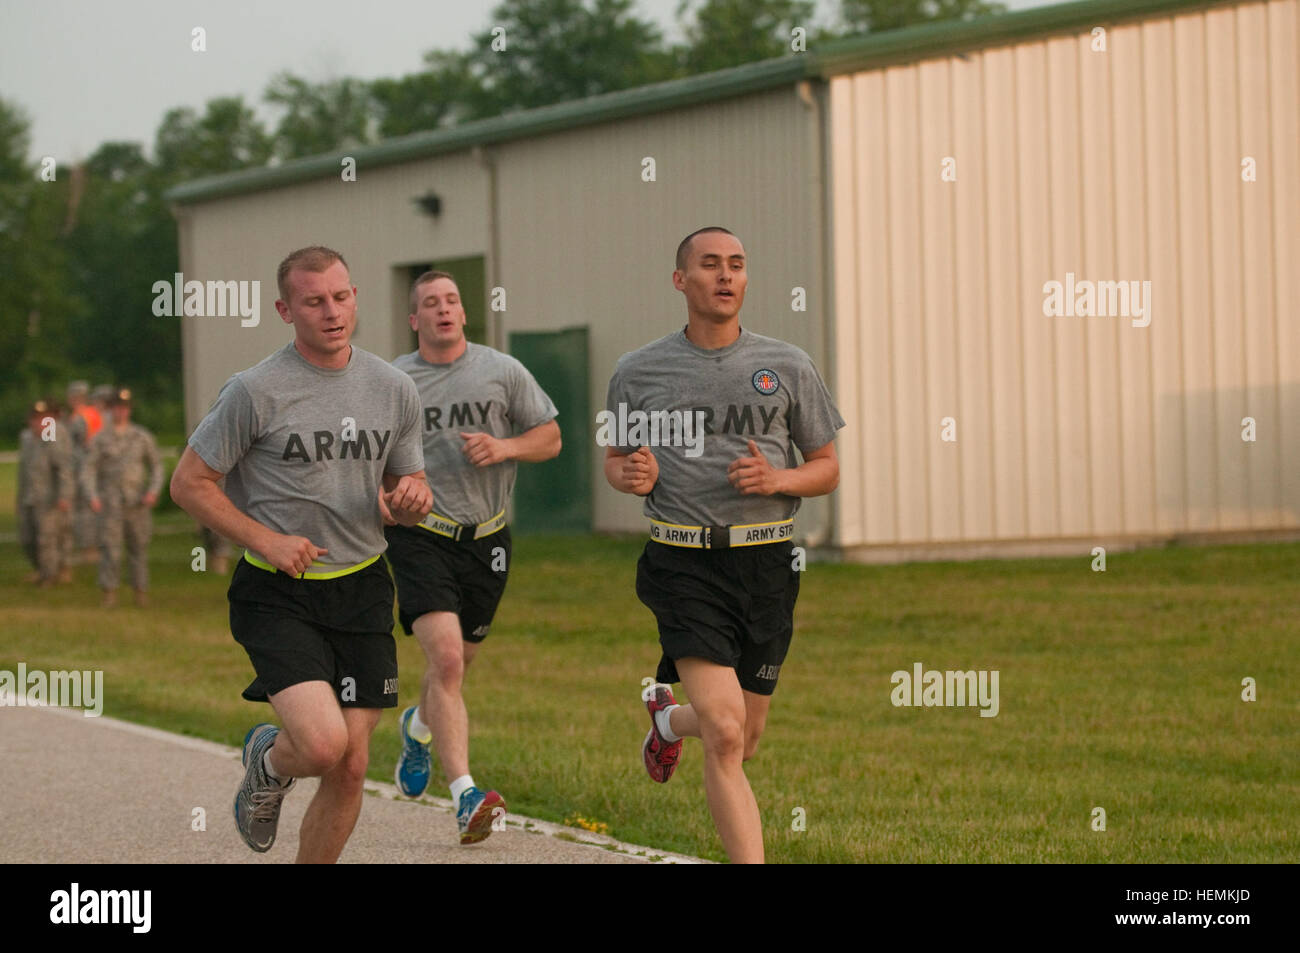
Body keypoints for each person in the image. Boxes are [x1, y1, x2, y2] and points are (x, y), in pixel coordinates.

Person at [170, 246, 432, 863]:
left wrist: (413, 501)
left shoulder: (394, 388)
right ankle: (268, 760)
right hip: (277, 591)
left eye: (341, 297)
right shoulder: (254, 391)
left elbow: (407, 489)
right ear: (286, 310)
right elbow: (188, 483)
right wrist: (264, 539)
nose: (332, 312)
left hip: (363, 586)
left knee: (352, 764)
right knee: (320, 746)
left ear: (355, 297)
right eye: (314, 302)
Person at [603, 227, 845, 864]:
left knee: (745, 735)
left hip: (767, 564)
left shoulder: (787, 365)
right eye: (710, 264)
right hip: (682, 562)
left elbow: (826, 467)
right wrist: (632, 475)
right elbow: (616, 459)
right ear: (680, 280)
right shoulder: (638, 369)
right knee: (726, 729)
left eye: (736, 264)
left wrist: (778, 479)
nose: (725, 275)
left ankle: (667, 720)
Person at [387, 270, 561, 844]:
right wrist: (387, 501)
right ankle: (465, 794)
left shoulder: (502, 371)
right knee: (446, 660)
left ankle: (417, 727)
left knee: (458, 661)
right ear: (414, 319)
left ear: (464, 313)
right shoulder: (395, 382)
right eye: (430, 303)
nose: (443, 309)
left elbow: (550, 437)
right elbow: (366, 458)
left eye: (452, 301)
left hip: (487, 540)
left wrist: (505, 446)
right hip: (420, 535)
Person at [82, 388, 163, 607]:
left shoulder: (142, 436)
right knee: (110, 548)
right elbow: (88, 469)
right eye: (117, 408)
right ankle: (109, 593)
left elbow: (156, 466)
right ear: (111, 410)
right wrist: (92, 495)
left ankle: (140, 592)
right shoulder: (100, 438)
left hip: (137, 502)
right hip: (110, 503)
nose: (121, 412)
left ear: (129, 410)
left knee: (138, 547)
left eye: (124, 408)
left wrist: (153, 491)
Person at [17, 400, 75, 587]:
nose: (38, 422)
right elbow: (23, 472)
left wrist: (64, 495)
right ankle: (42, 570)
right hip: (29, 497)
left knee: (47, 539)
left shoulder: (51, 437)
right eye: (35, 418)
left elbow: (63, 467)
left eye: (43, 418)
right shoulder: (26, 439)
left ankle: (49, 576)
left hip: (48, 498)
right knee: (27, 538)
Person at [65, 380, 102, 566]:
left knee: (87, 508)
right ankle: (86, 547)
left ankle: (90, 549)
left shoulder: (84, 417)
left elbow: (84, 443)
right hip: (80, 466)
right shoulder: (83, 415)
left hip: (84, 466)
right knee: (82, 508)